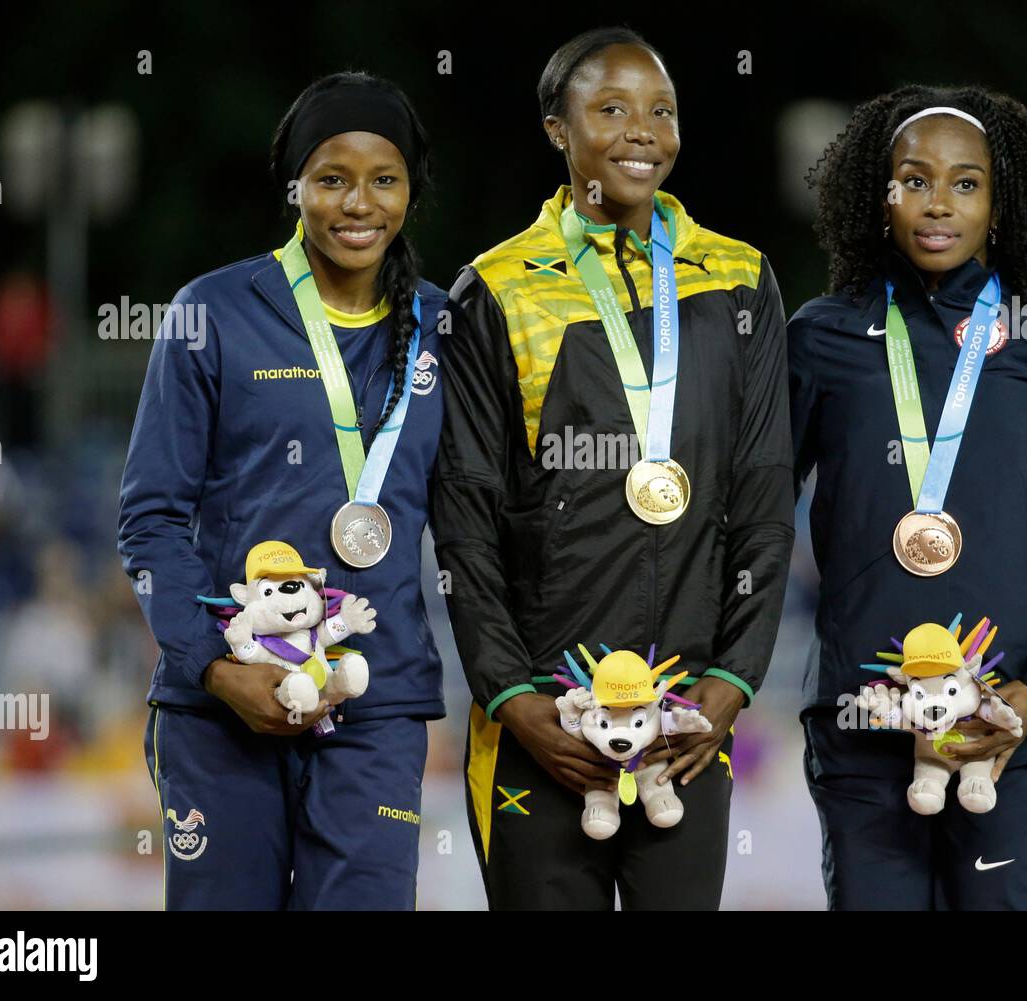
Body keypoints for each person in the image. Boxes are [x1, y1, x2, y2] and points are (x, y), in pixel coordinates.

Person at [431, 27, 794, 911]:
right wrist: (513, 696)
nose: (643, 131)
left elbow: (764, 492)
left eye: (661, 111)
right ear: (559, 131)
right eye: (612, 109)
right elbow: (465, 513)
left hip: (683, 726)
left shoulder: (738, 280)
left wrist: (732, 680)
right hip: (543, 723)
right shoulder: (499, 288)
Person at [790, 85, 1027, 909]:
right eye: (914, 179)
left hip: (1004, 726)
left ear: (999, 202)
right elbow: (755, 512)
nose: (937, 202)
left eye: (966, 182)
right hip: (861, 723)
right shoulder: (822, 336)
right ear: (880, 197)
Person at [118, 71, 446, 910]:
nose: (357, 203)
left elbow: (484, 530)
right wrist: (214, 667)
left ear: (412, 188)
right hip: (224, 703)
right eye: (331, 178)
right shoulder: (215, 313)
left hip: (374, 703)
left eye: (385, 179)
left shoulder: (446, 330)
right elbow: (150, 516)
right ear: (294, 185)